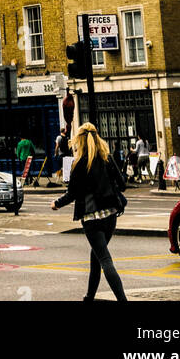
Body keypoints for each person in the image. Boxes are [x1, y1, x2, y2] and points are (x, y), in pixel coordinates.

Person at [51, 121, 127, 302]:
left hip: (91, 218)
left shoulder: (79, 164)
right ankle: (89, 297)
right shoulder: (107, 158)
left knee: (105, 260)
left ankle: (122, 300)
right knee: (97, 256)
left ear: (80, 141)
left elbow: (72, 194)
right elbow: (122, 184)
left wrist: (56, 203)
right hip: (110, 216)